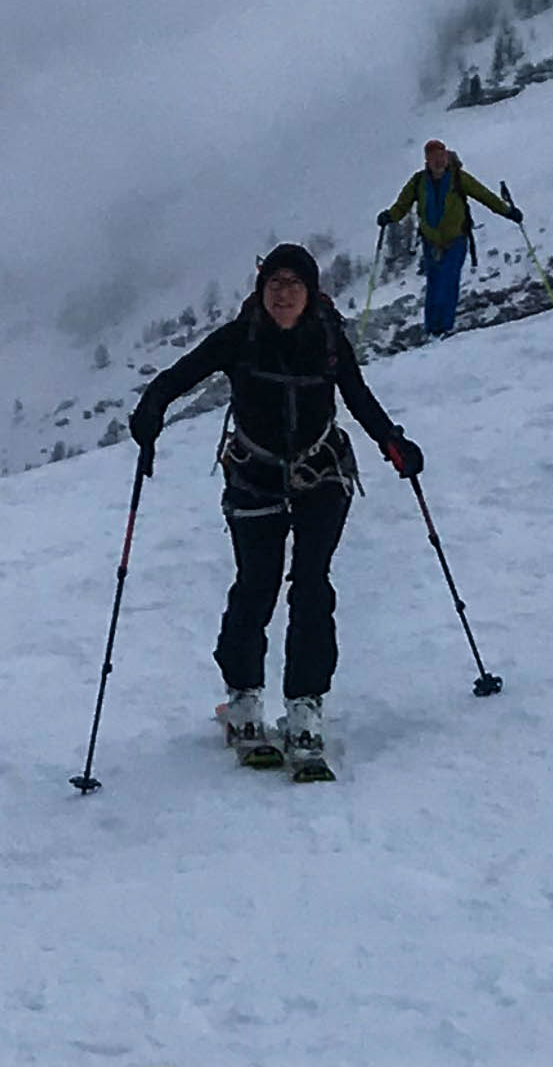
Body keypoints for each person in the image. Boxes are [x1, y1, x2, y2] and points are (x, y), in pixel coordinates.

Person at [125, 241, 419, 775]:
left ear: (312, 293)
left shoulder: (328, 340)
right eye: (274, 284)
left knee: (312, 584)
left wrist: (392, 442)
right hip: (254, 474)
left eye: (294, 285)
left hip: (321, 472)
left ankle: (305, 704)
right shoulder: (241, 338)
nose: (283, 295)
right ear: (261, 291)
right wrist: (149, 414)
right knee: (257, 583)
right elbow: (174, 380)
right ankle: (244, 695)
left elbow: (357, 396)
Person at [379, 137, 523, 340]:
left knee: (448, 280)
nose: (438, 161)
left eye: (441, 156)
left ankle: (443, 327)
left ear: (446, 157)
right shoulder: (418, 181)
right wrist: (390, 216)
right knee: (435, 283)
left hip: (456, 239)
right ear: (427, 161)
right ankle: (433, 329)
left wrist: (508, 212)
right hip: (431, 242)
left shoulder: (458, 178)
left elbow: (484, 195)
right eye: (433, 158)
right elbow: (402, 205)